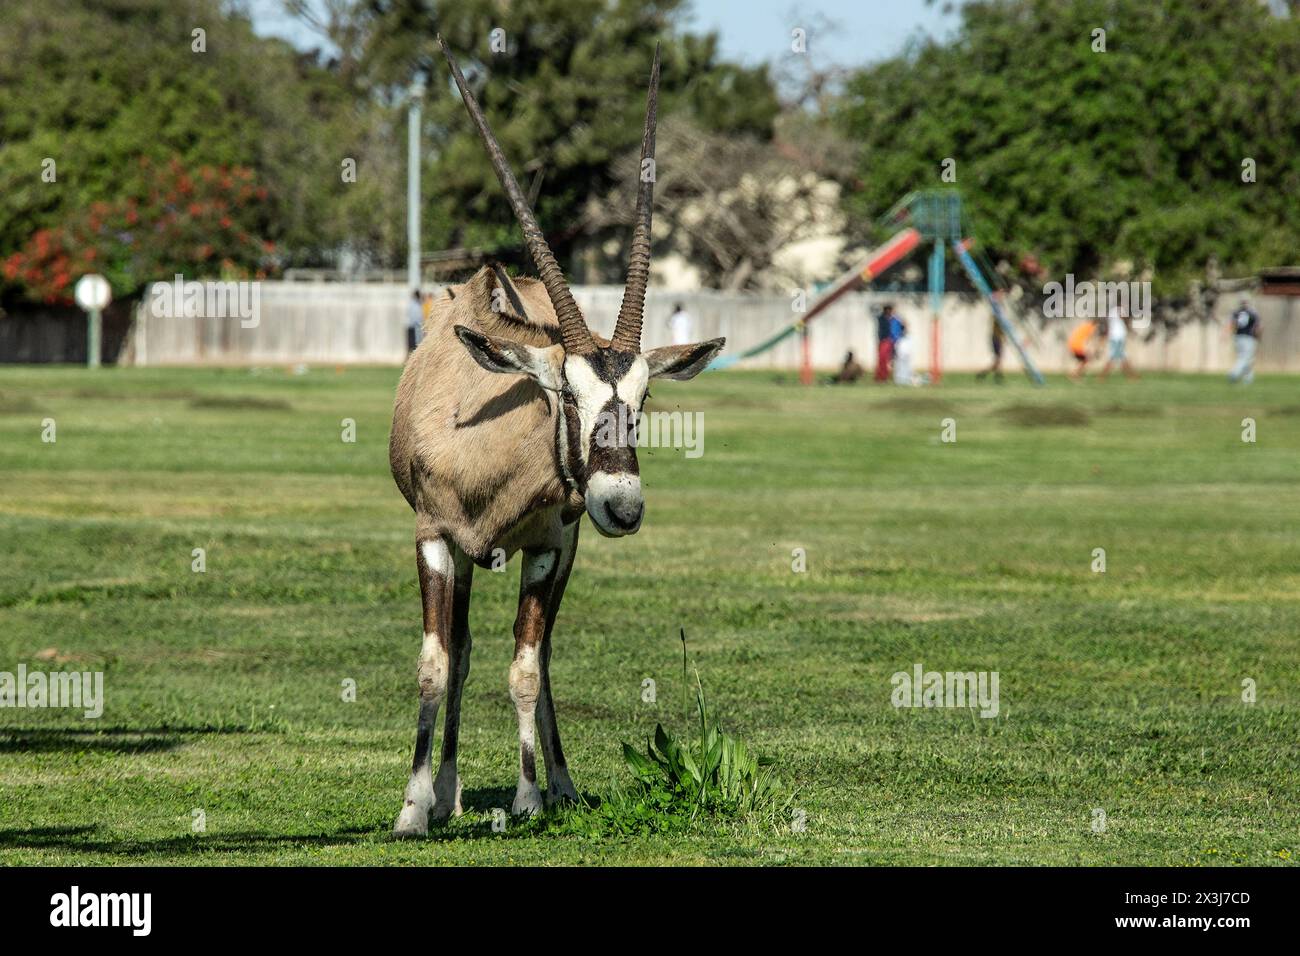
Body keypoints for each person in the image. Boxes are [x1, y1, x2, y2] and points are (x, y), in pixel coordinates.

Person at [1098, 305, 1138, 380]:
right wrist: (1130, 328)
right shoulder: (1119, 310)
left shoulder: (1111, 311)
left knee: (1123, 356)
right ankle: (1102, 376)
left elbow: (1109, 324)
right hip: (1118, 337)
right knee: (1114, 356)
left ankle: (1131, 376)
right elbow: (1123, 318)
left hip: (1115, 337)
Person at [1228, 297, 1260, 384]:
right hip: (1249, 337)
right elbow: (1257, 327)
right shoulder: (1253, 313)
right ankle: (1234, 373)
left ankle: (1248, 379)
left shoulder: (1236, 312)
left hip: (1238, 337)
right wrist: (1258, 337)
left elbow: (1232, 324)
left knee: (1246, 358)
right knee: (1245, 358)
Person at [976, 316, 1005, 383]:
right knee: (997, 360)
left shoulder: (997, 316)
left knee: (998, 361)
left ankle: (997, 377)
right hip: (997, 339)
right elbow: (1000, 329)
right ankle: (983, 374)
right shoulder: (997, 316)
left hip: (997, 339)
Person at [874, 304, 895, 382]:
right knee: (882, 360)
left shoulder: (890, 319)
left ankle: (883, 376)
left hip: (888, 341)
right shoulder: (882, 318)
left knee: (885, 360)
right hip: (884, 341)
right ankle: (880, 376)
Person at [893, 320, 915, 385]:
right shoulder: (898, 335)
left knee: (906, 367)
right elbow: (897, 344)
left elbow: (909, 345)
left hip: (906, 353)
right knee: (899, 367)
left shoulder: (908, 336)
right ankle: (900, 380)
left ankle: (906, 379)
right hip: (900, 354)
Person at [406, 289, 424, 354]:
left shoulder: (416, 303)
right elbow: (416, 316)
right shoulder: (415, 304)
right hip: (414, 326)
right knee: (413, 344)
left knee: (413, 344)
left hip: (413, 325)